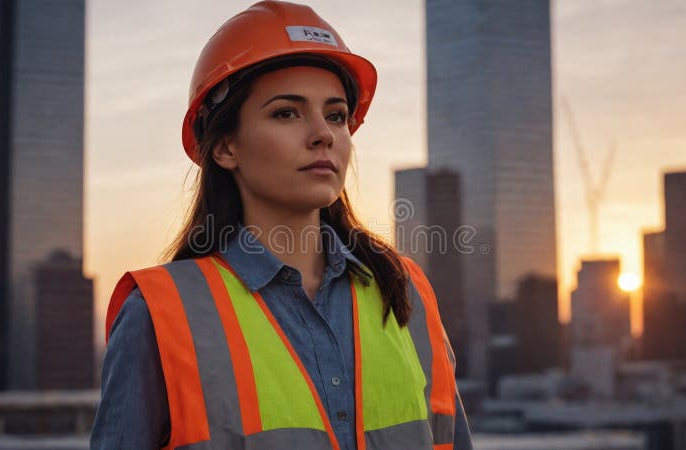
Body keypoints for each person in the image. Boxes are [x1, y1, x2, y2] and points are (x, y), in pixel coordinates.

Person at [90, 1, 473, 449]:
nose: (324, 134)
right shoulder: (158, 315)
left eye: (336, 115)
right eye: (287, 113)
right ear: (225, 147)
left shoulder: (405, 292)